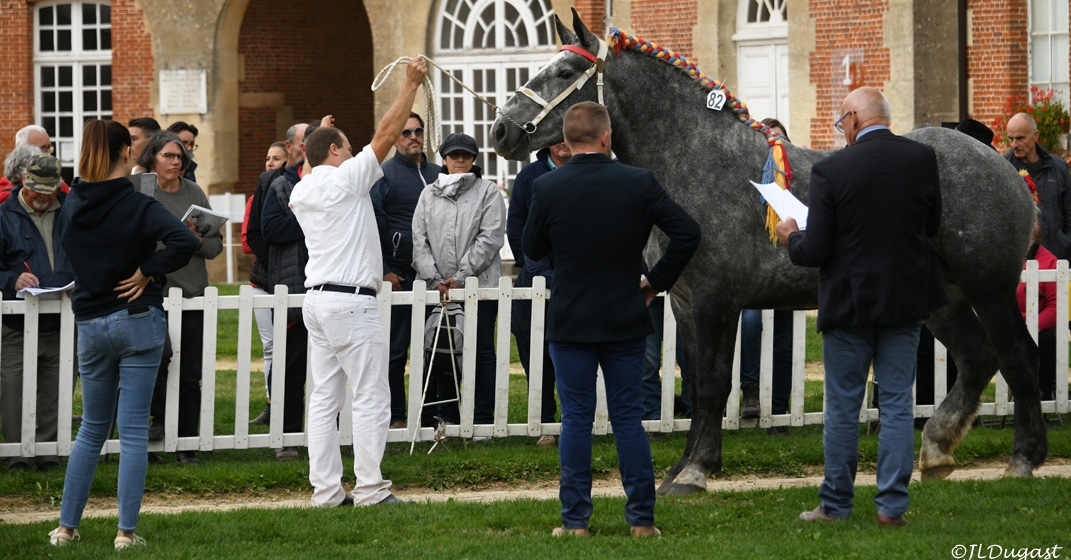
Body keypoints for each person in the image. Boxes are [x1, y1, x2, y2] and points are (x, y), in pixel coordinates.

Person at [523, 101, 701, 537]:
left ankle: (576, 522)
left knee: (577, 420)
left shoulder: (548, 187)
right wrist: (655, 281)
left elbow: (530, 246)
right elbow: (687, 232)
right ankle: (642, 521)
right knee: (627, 419)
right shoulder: (638, 181)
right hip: (625, 311)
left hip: (571, 317)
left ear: (566, 141)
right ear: (607, 137)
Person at [776, 86, 945, 526]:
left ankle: (835, 505)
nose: (841, 131)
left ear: (852, 118)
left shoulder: (832, 170)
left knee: (843, 408)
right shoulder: (921, 159)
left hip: (849, 303)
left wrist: (790, 234)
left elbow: (815, 249)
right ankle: (891, 507)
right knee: (896, 406)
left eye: (841, 122)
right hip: (905, 301)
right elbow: (932, 224)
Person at [48, 119, 198, 549]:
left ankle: (65, 528)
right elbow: (183, 243)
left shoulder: (71, 204)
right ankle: (125, 532)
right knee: (132, 431)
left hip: (91, 323)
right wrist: (146, 271)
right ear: (126, 153)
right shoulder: (138, 204)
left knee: (91, 429)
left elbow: (66, 260)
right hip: (136, 320)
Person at [287, 55, 427, 508]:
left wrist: (321, 132)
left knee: (324, 400)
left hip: (317, 302)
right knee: (370, 397)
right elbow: (386, 135)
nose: (353, 153)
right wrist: (410, 85)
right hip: (352, 302)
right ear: (334, 153)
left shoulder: (302, 188)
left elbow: (314, 161)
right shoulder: (347, 180)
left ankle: (326, 491)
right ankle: (371, 489)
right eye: (345, 147)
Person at [138, 131, 223, 465]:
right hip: (153, 294)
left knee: (189, 375)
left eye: (180, 157)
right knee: (155, 364)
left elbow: (216, 247)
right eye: (168, 156)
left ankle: (187, 444)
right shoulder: (142, 191)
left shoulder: (194, 192)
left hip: (192, 294)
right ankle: (156, 427)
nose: (176, 161)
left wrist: (195, 241)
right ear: (151, 158)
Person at [412, 132, 505, 432]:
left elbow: (490, 238)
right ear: (444, 159)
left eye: (466, 154)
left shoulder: (488, 191)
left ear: (474, 159)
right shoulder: (428, 194)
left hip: (480, 286)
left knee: (481, 352)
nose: (460, 160)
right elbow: (419, 240)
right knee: (443, 350)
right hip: (436, 289)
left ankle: (483, 418)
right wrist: (436, 278)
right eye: (454, 155)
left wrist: (461, 277)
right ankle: (447, 415)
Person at [0, 154, 74, 471]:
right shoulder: (4, 214)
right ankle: (17, 455)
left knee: (56, 390)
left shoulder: (71, 211)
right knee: (13, 388)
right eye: (35, 193)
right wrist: (11, 278)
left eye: (49, 193)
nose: (42, 199)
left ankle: (48, 453)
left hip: (61, 318)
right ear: (24, 184)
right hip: (18, 321)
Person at [369, 112, 441, 429]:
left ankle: (432, 414)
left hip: (435, 276)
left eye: (417, 131)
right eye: (405, 132)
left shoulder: (440, 174)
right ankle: (396, 415)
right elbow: (369, 225)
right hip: (397, 276)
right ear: (395, 138)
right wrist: (384, 269)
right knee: (396, 351)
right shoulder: (383, 176)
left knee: (435, 348)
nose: (413, 137)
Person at [259, 120, 325, 460]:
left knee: (333, 370)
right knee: (291, 369)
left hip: (331, 284)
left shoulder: (337, 182)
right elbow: (268, 229)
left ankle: (331, 435)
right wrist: (310, 215)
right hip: (295, 284)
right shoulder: (281, 184)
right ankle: (287, 437)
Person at [507, 140, 570, 445]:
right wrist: (531, 265)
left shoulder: (584, 173)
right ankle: (545, 421)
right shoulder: (529, 176)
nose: (562, 143)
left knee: (573, 355)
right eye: (556, 137)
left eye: (567, 135)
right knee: (536, 354)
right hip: (535, 278)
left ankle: (572, 421)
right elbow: (517, 223)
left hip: (574, 279)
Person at [244, 123, 307, 426]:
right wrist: (274, 270)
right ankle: (285, 429)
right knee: (286, 360)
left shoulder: (335, 180)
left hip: (323, 285)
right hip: (281, 281)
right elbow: (260, 231)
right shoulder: (271, 182)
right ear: (292, 145)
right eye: (304, 142)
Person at [737, 118, 795, 430]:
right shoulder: (750, 181)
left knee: (784, 340)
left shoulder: (796, 180)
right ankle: (751, 392)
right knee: (750, 321)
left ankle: (781, 410)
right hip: (755, 277)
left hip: (787, 270)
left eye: (781, 142)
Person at [1004, 112, 1071, 261]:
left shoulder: (1058, 167)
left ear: (1035, 136)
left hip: (1058, 260)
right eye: (1011, 139)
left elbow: (1069, 213)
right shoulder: (1004, 169)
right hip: (1019, 263)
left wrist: (1066, 244)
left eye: (1020, 138)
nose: (1014, 144)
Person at [1019, 222, 1059, 400]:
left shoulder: (1051, 261)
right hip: (1001, 325)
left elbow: (1055, 308)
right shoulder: (997, 256)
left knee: (1047, 340)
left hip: (1036, 328)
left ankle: (1041, 401)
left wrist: (1029, 323)